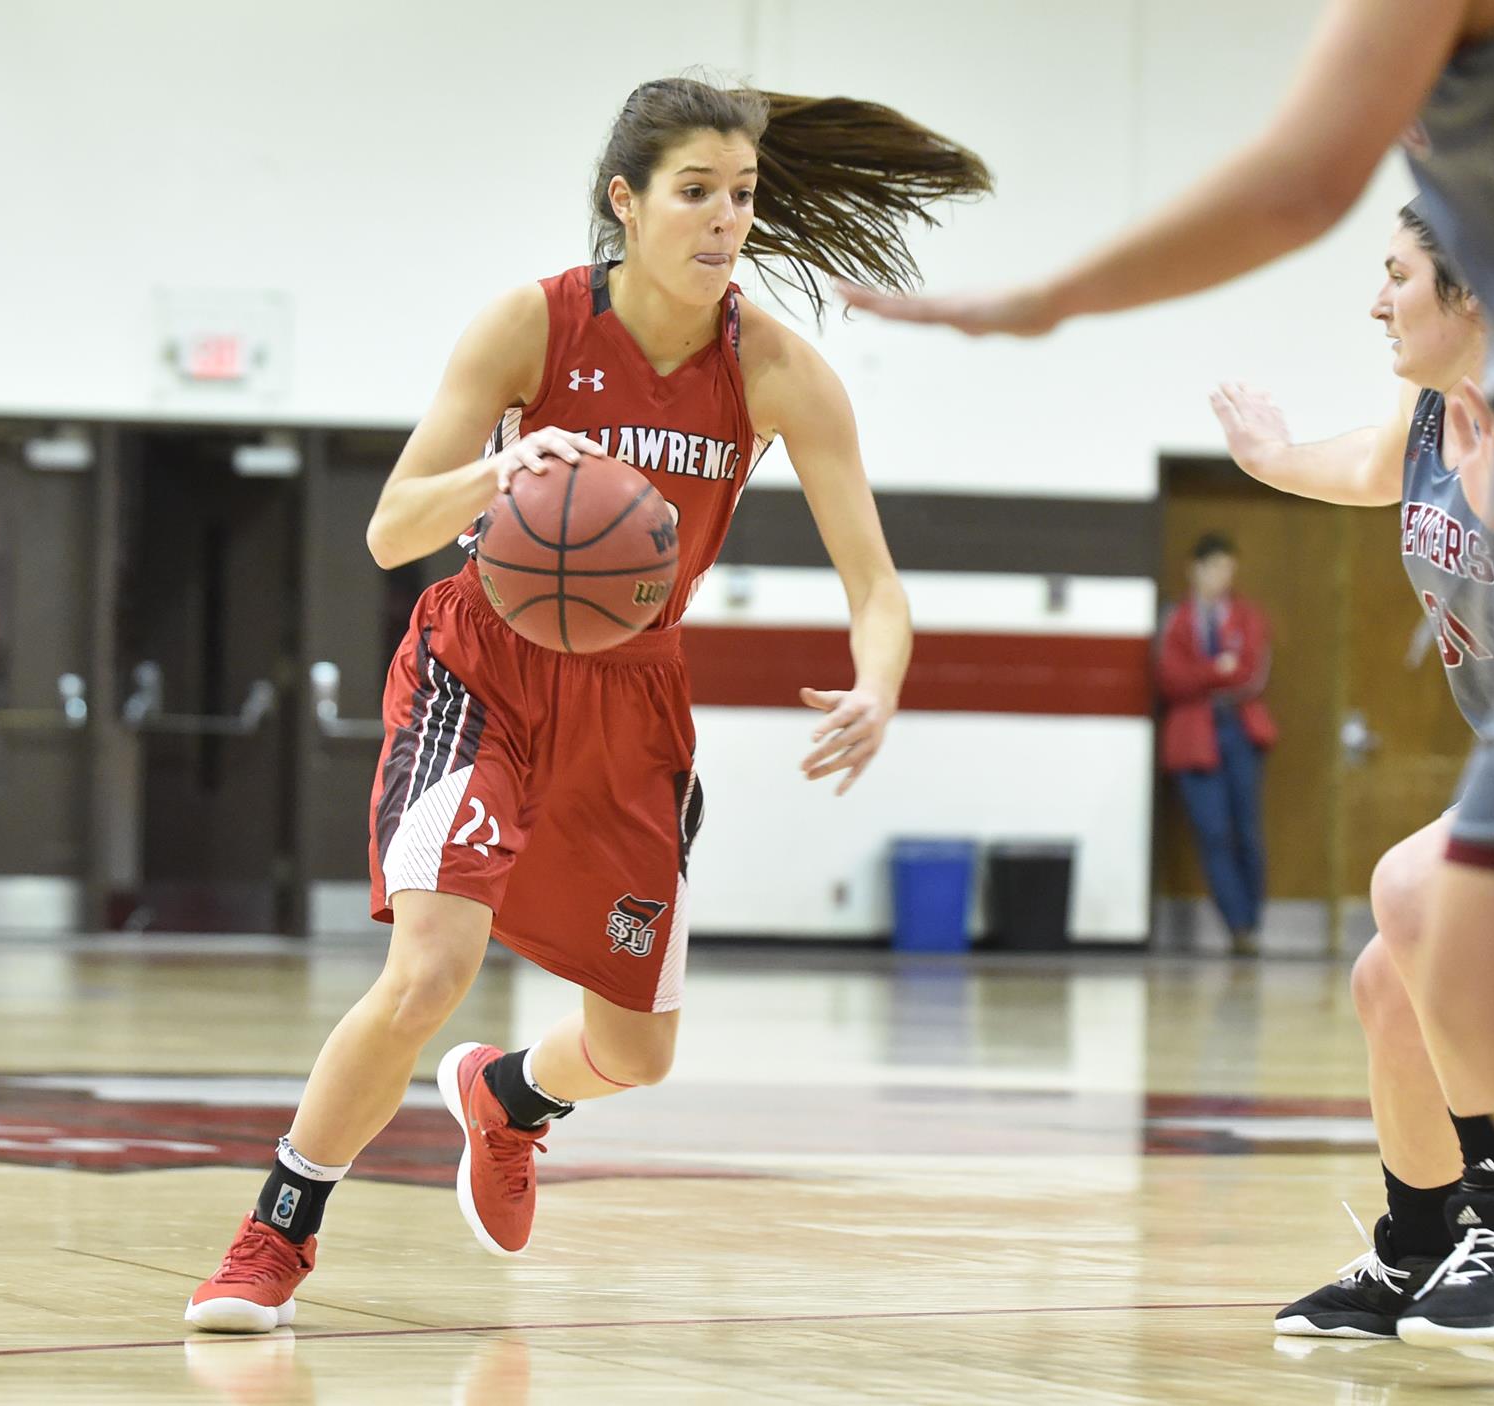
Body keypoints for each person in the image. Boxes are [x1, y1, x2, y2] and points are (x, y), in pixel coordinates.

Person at [838, 4, 1494, 1402]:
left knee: (1469, 931)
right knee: (1444, 975)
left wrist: (1045, 301)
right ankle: (1456, 1243)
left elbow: (1296, 183)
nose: (1380, 300)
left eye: (1398, 276)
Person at [185, 76, 992, 1333]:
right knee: (429, 969)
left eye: (742, 195)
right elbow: (391, 526)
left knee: (636, 1051)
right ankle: (274, 1235)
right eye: (696, 192)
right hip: (481, 667)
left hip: (633, 699)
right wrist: (502, 468)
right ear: (626, 199)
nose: (725, 219)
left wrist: (879, 682)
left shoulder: (777, 370)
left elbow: (875, 585)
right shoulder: (534, 324)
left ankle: (509, 1098)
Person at [1218, 206, 1494, 1342]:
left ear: (1470, 294)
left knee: (1413, 888)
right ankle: (1420, 1248)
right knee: (1388, 982)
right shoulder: (1433, 410)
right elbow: (1371, 469)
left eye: (1398, 276)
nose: (1377, 301)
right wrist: (1271, 458)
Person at [1156, 532, 1275, 956]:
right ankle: (1237, 925)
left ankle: (1252, 923)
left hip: (1238, 731)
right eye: (1214, 568)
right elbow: (1170, 679)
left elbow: (1250, 676)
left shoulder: (1247, 616)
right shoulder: (1176, 618)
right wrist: (1214, 670)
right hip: (1194, 736)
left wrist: (1204, 675)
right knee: (1213, 832)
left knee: (1247, 830)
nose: (1222, 577)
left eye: (1228, 569)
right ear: (1195, 569)